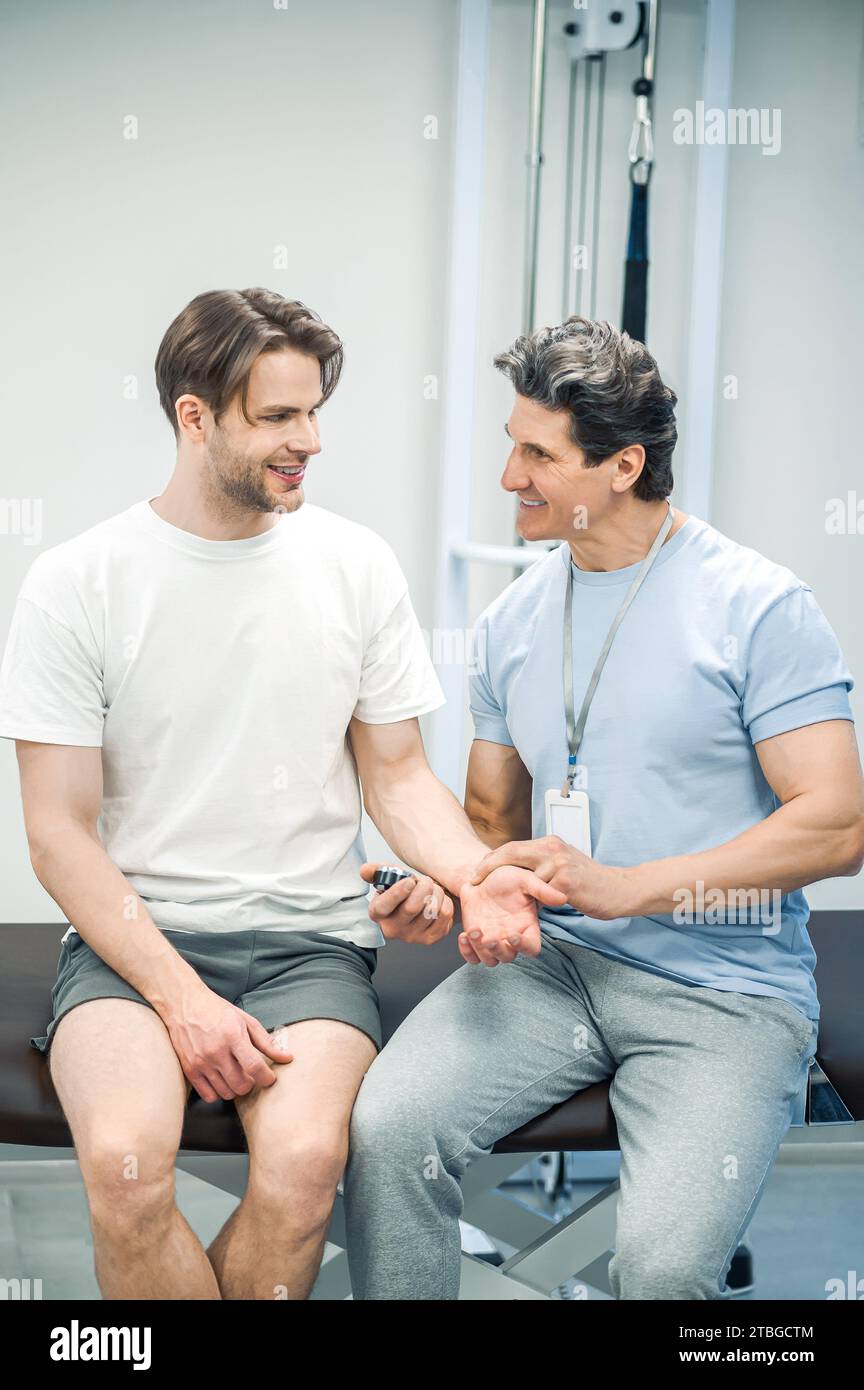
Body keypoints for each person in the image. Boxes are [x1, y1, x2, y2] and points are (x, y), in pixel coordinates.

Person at [0, 288, 563, 1301]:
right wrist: (184, 1001)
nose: (307, 440)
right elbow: (57, 833)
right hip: (139, 949)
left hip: (310, 947)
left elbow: (396, 773)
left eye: (314, 413)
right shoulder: (77, 581)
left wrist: (475, 878)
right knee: (127, 1173)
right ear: (195, 415)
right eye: (277, 416)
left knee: (304, 1172)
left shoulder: (353, 565)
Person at [344, 316, 864, 1300]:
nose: (508, 479)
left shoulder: (758, 607)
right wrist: (460, 890)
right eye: (512, 446)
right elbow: (492, 822)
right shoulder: (510, 624)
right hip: (559, 970)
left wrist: (627, 888)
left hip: (727, 985)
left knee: (663, 1273)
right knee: (388, 1131)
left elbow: (838, 824)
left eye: (537, 455)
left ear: (623, 464)